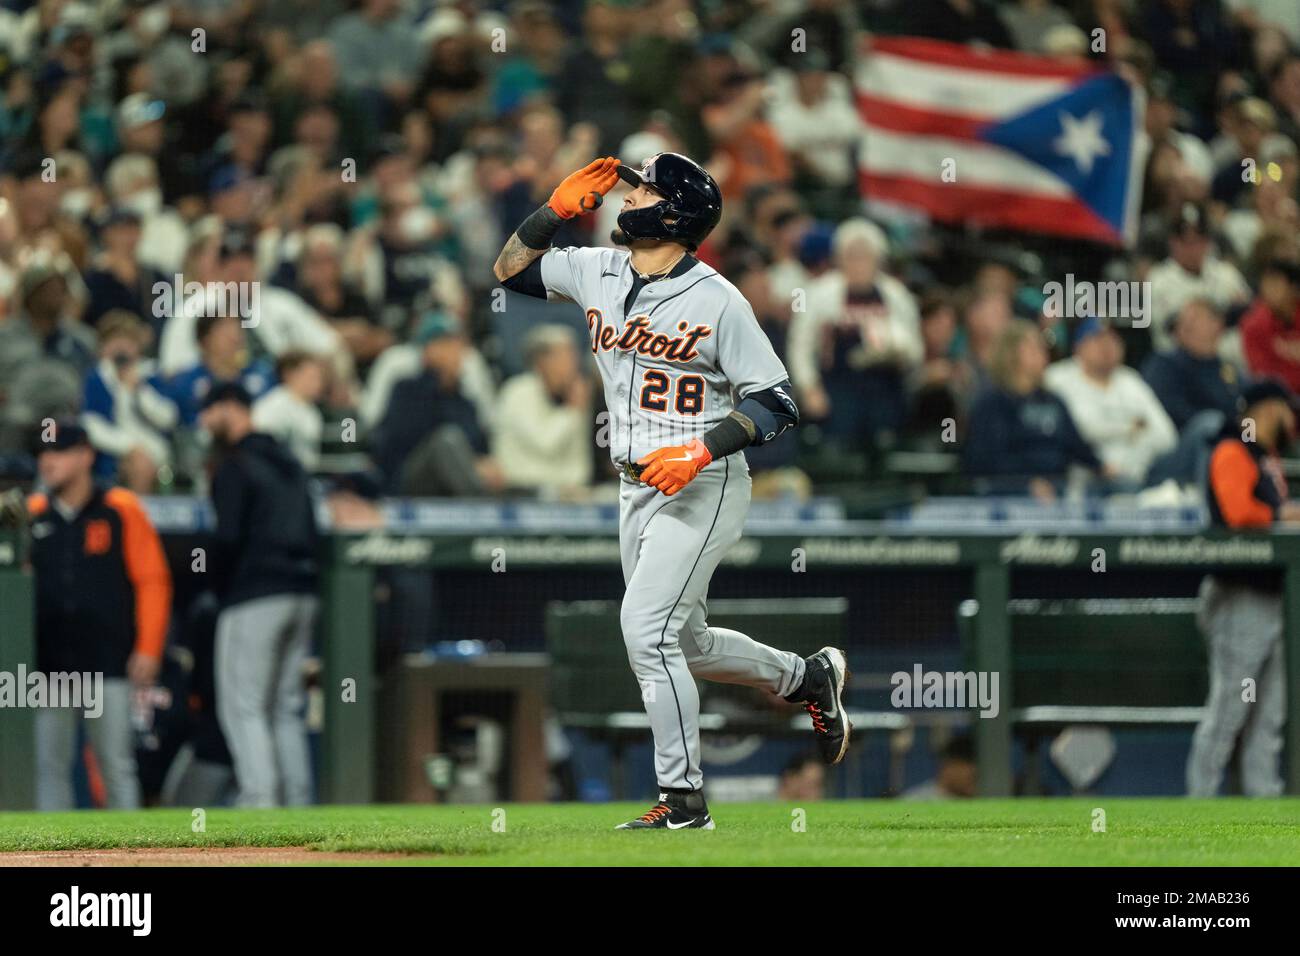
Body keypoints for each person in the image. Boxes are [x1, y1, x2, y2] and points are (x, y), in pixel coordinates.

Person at [493, 153, 850, 830]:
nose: (631, 195)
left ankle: (684, 801)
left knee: (645, 631)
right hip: (635, 487)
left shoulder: (717, 298)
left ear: (676, 213)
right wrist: (554, 211)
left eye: (647, 188)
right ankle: (805, 678)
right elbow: (507, 270)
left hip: (704, 482)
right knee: (683, 642)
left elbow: (777, 403)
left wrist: (701, 449)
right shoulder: (595, 267)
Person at [27, 421, 172, 810]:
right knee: (48, 767)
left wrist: (149, 647)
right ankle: (51, 857)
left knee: (116, 765)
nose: (47, 461)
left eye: (57, 452)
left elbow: (153, 581)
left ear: (85, 456)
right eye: (43, 453)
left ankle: (129, 856)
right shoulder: (32, 513)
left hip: (107, 659)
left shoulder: (120, 508)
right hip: (48, 663)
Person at [200, 382, 319, 807]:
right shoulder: (290, 461)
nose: (204, 422)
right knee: (285, 707)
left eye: (209, 411)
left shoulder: (234, 463)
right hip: (303, 592)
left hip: (254, 594)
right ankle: (298, 807)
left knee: (243, 706)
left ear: (231, 408)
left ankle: (260, 802)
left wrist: (216, 587)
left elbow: (226, 538)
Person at [1186, 380, 1299, 797]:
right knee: (1229, 712)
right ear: (1268, 409)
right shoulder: (1231, 448)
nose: (1291, 420)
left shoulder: (1261, 455)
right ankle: (1198, 806)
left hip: (1274, 596)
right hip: (1240, 595)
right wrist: (1284, 515)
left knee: (1269, 715)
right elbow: (1238, 512)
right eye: (1286, 409)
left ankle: (1263, 803)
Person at [963, 320, 1110, 499]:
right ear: (1010, 355)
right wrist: (1027, 483)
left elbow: (1076, 445)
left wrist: (1103, 467)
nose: (1042, 354)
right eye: (1033, 348)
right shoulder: (993, 404)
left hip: (1057, 487)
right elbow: (984, 460)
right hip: (1007, 493)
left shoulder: (1053, 401)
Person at [1044, 317, 1178, 488]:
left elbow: (1167, 437)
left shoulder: (1131, 380)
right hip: (1088, 475)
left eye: (1113, 339)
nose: (1107, 346)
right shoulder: (1057, 378)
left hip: (1140, 472)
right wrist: (1129, 429)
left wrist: (1133, 457)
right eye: (1098, 339)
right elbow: (1076, 432)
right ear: (1079, 346)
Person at [81, 311, 178, 492]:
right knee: (140, 464)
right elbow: (91, 425)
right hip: (112, 453)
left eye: (128, 341)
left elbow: (168, 417)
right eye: (114, 341)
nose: (121, 348)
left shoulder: (151, 374)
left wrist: (140, 391)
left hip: (156, 452)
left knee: (149, 464)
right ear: (102, 348)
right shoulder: (97, 378)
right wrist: (129, 446)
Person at [492, 324, 592, 496]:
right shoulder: (518, 391)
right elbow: (546, 443)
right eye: (564, 357)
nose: (573, 365)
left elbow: (580, 466)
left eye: (573, 356)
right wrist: (573, 411)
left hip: (564, 492)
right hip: (521, 492)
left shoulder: (570, 396)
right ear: (542, 361)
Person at [251, 351, 326, 472]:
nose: (318, 383)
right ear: (290, 375)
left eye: (319, 378)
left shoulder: (312, 411)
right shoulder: (274, 405)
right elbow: (258, 443)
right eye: (312, 377)